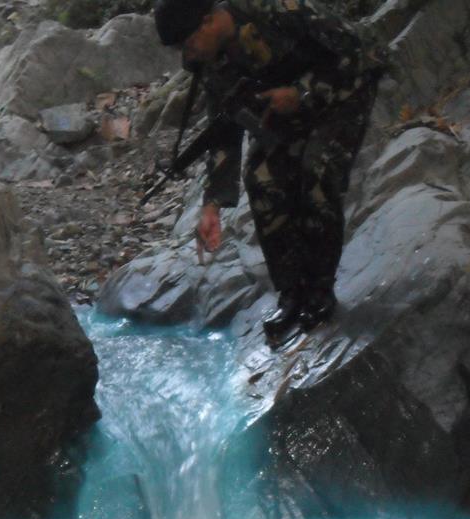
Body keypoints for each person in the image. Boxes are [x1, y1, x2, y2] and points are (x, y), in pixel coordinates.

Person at [153, 0, 384, 343]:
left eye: (187, 44)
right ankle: (291, 294)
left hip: (343, 94)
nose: (187, 55)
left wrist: (303, 92)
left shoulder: (277, 10)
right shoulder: (211, 58)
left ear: (208, 22)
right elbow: (224, 127)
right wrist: (212, 204)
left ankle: (320, 292)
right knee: (262, 180)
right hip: (284, 107)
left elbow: (359, 53)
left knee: (317, 175)